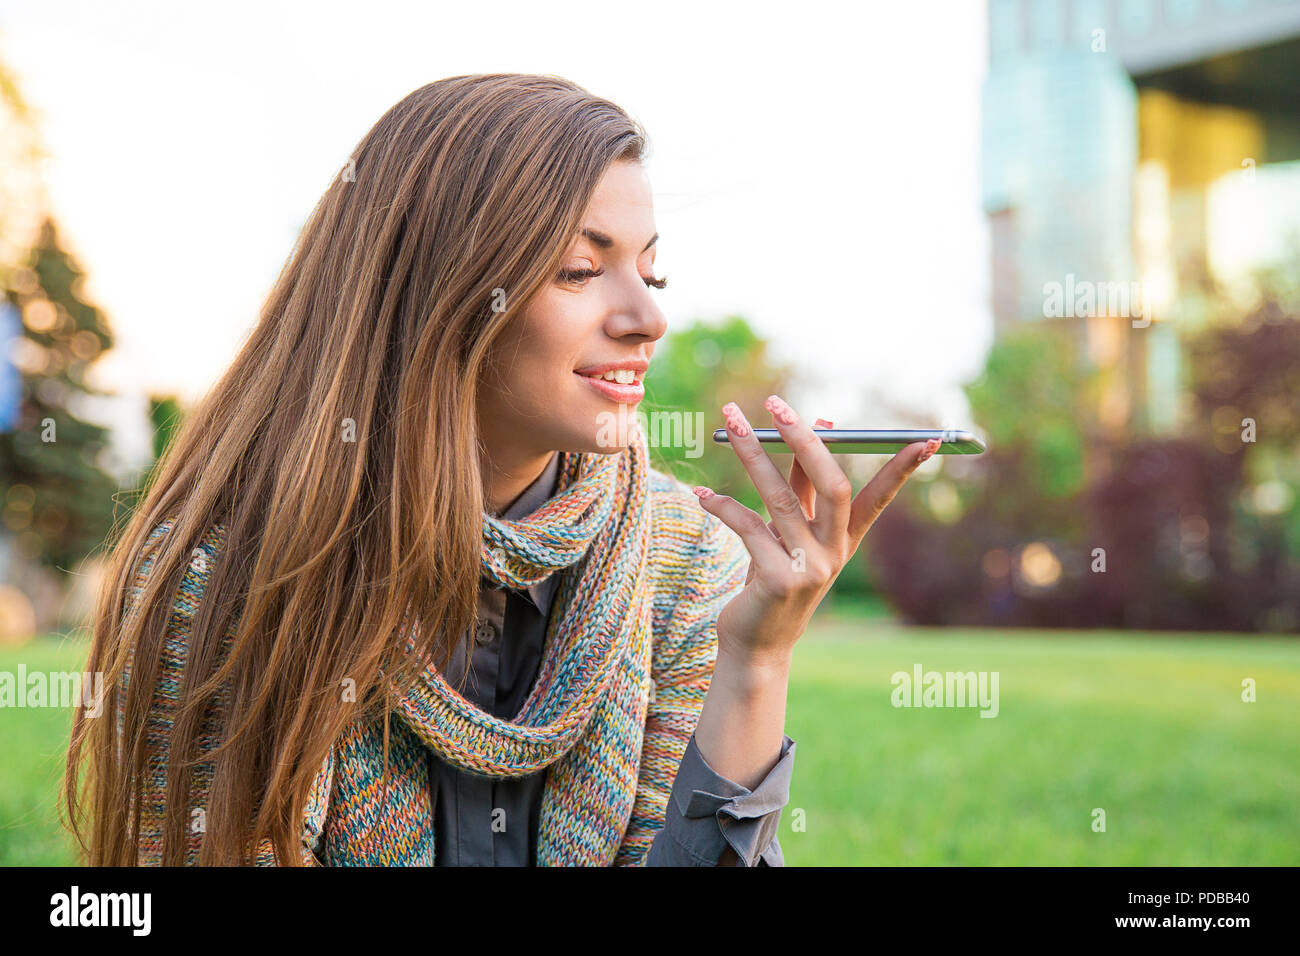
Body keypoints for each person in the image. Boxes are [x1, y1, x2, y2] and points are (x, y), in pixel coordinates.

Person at [63, 73, 937, 866]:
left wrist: (756, 660)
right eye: (580, 270)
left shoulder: (682, 561)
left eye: (652, 271)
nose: (645, 318)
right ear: (442, 288)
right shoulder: (233, 578)